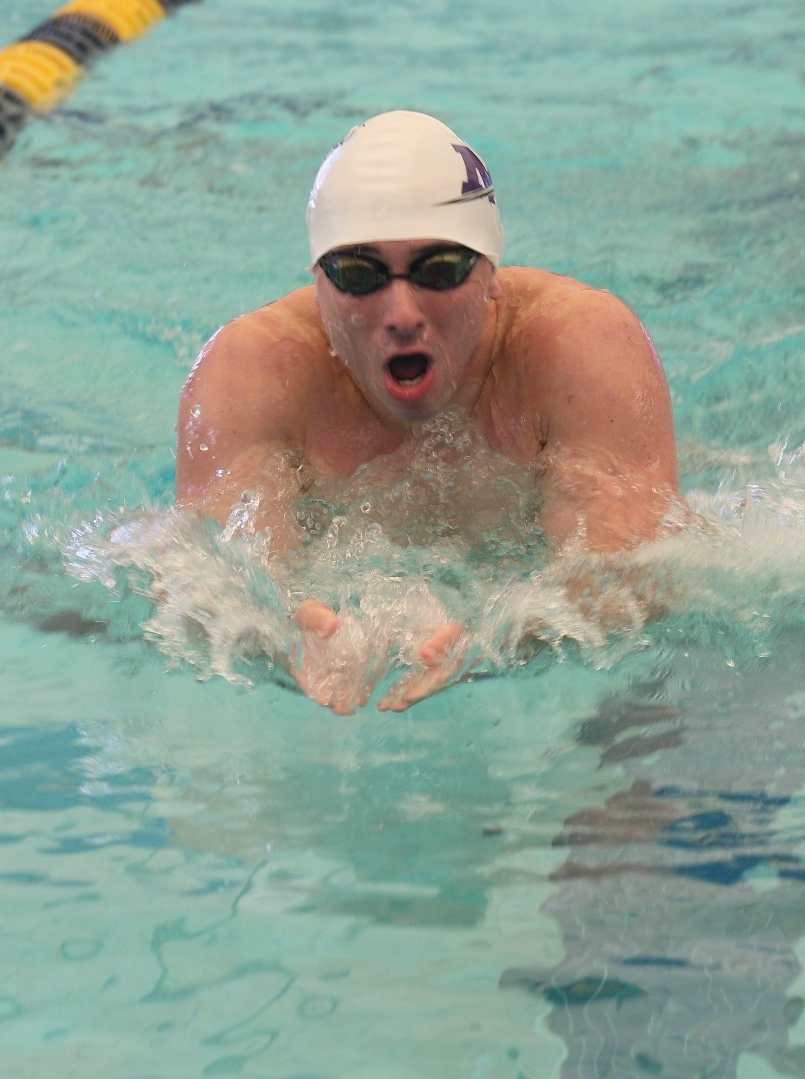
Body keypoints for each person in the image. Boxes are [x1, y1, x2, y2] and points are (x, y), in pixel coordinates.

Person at [176, 110, 680, 713]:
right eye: (358, 273)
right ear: (318, 281)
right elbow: (207, 585)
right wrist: (278, 639)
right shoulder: (251, 373)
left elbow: (635, 579)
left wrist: (504, 640)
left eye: (439, 270)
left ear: (489, 271)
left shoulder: (578, 348)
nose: (402, 314)